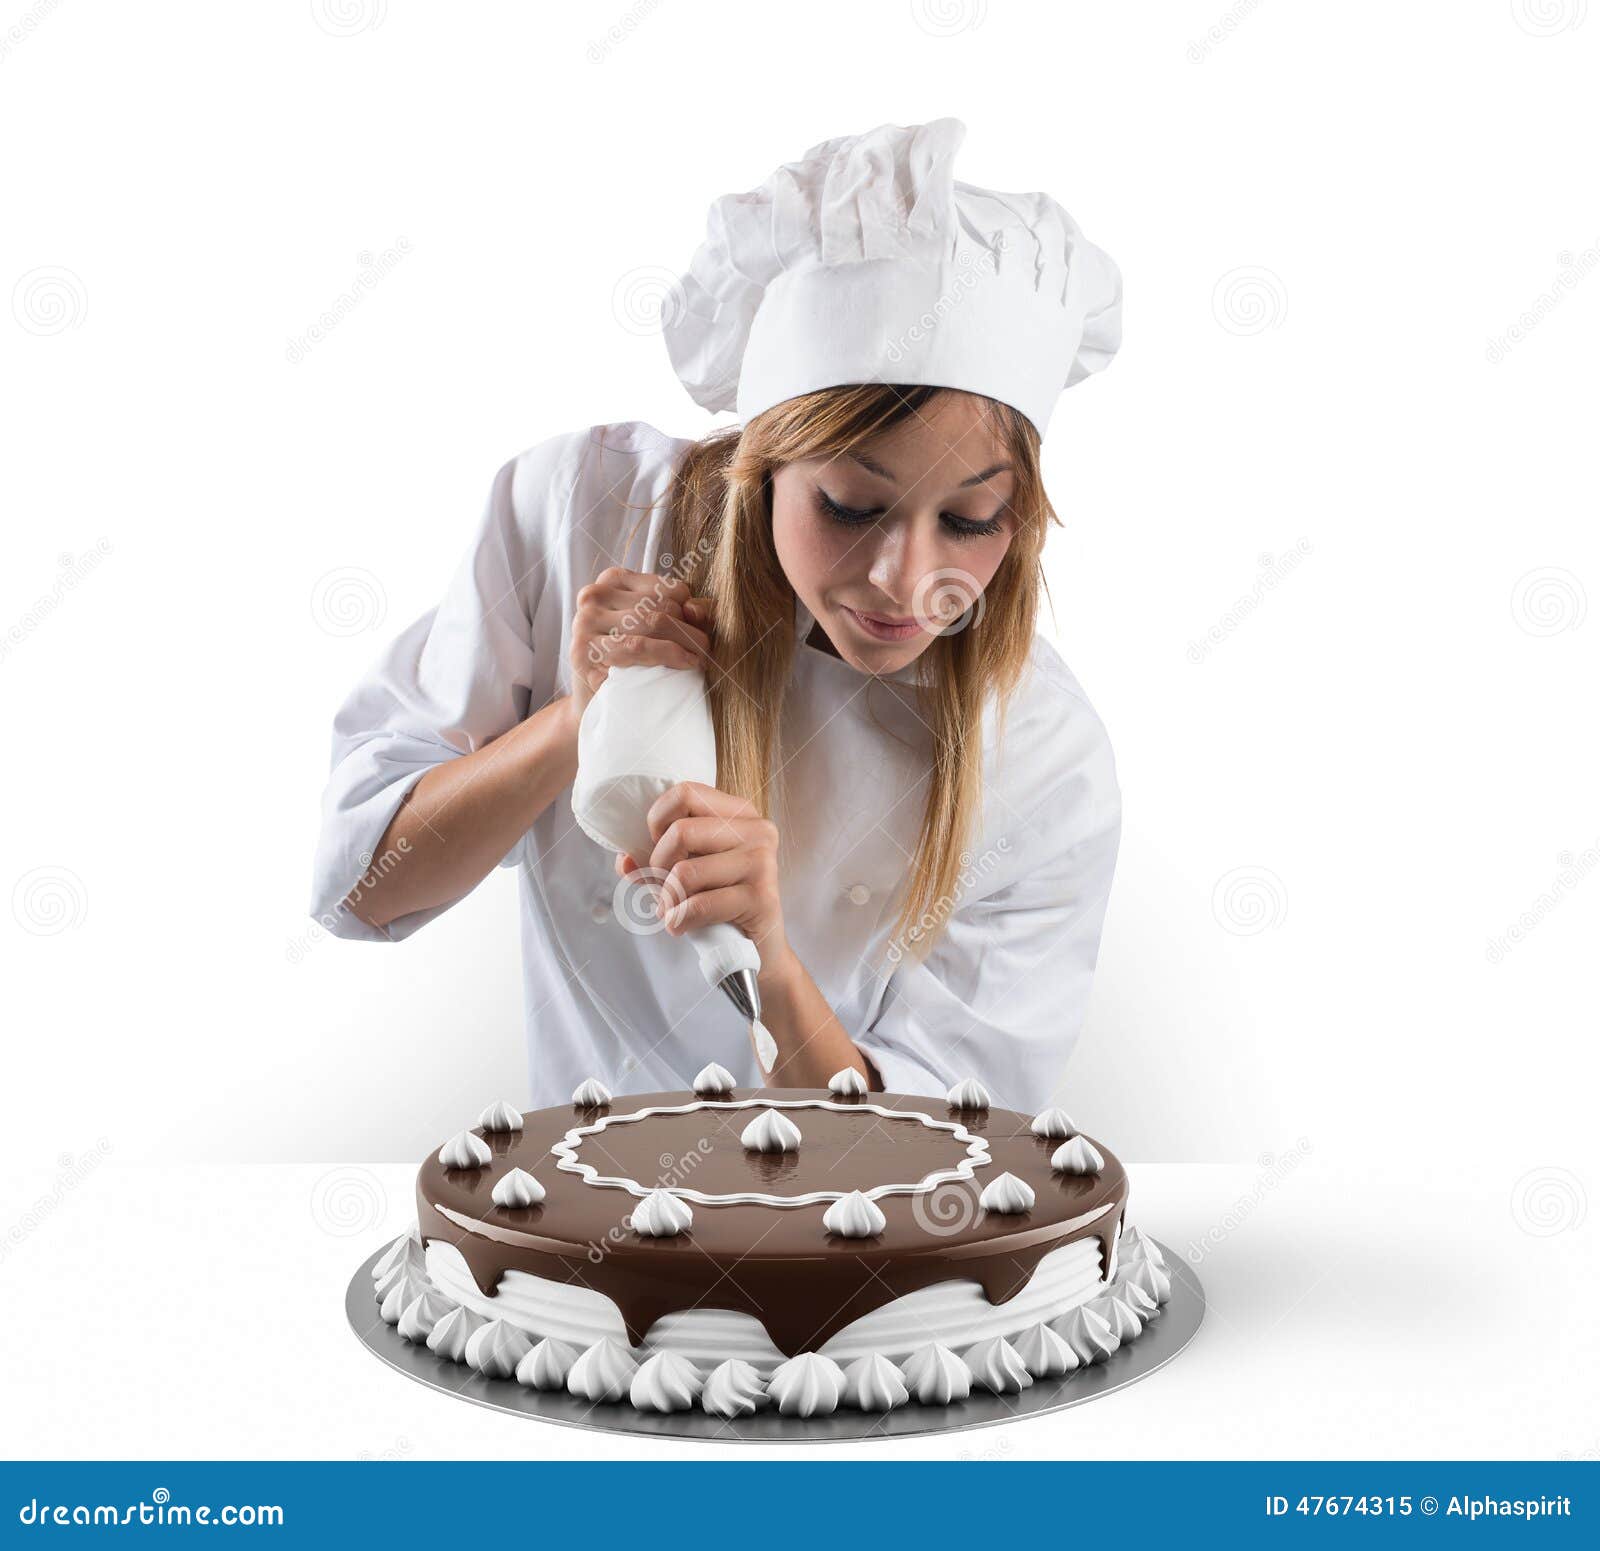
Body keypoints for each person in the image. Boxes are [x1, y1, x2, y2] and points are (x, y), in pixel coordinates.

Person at [309, 117, 1124, 1113]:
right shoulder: (583, 513)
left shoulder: (1042, 754)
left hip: (845, 1255)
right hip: (583, 1207)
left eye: (968, 519)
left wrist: (771, 961)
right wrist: (578, 720)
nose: (906, 582)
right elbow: (359, 890)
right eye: (850, 508)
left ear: (1023, 518)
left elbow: (935, 1147)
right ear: (763, 461)